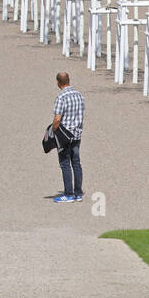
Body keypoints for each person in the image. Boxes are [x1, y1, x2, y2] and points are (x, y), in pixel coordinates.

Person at [52, 72, 84, 203]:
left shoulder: (61, 97)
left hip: (65, 136)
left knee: (65, 164)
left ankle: (69, 194)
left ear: (58, 82)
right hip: (77, 135)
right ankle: (78, 193)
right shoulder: (79, 95)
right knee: (76, 163)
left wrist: (54, 130)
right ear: (69, 80)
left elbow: (57, 119)